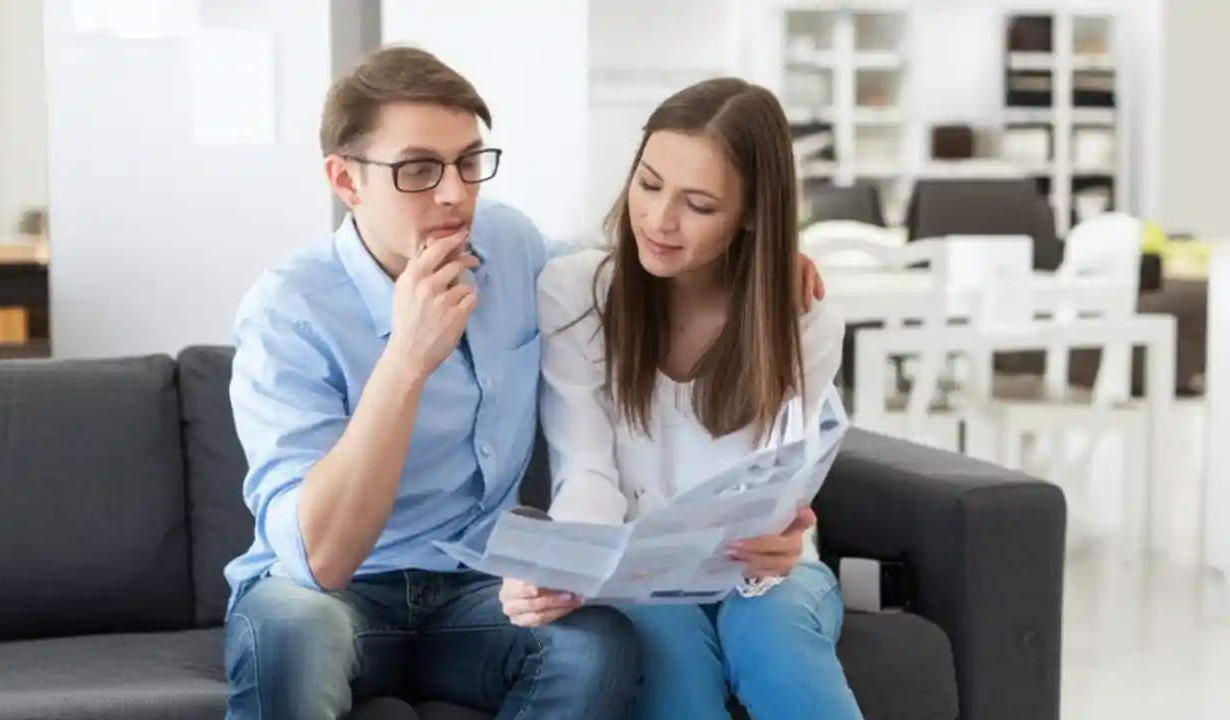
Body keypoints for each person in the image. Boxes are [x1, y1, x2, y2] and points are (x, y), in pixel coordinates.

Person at [221, 46, 640, 719]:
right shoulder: (288, 310)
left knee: (593, 643)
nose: (455, 193)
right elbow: (321, 558)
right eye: (419, 169)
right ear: (346, 180)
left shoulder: (506, 243)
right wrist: (406, 359)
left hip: (474, 589)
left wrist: (754, 264)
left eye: (469, 162)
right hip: (334, 593)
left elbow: (626, 286)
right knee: (295, 629)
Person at [520, 77, 864, 720]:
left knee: (775, 634)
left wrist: (779, 540)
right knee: (668, 656)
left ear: (753, 214)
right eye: (648, 185)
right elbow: (586, 471)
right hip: (637, 574)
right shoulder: (576, 295)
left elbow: (785, 485)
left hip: (765, 575)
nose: (658, 220)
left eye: (699, 205)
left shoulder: (803, 316)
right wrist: (580, 566)